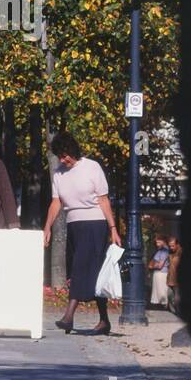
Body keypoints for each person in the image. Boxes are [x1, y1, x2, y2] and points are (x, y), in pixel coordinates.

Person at [44, 131, 121, 336]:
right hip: (74, 225)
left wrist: (113, 228)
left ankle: (68, 316)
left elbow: (104, 200)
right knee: (93, 272)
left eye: (66, 154)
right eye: (60, 156)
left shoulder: (92, 167)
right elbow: (56, 202)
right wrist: (47, 226)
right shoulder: (59, 174)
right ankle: (104, 320)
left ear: (73, 151)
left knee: (79, 266)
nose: (63, 159)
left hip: (95, 224)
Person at [149, 235, 170, 308]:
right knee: (158, 291)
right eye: (156, 242)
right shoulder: (160, 250)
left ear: (163, 241)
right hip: (159, 273)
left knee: (161, 291)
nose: (157, 244)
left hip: (161, 273)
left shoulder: (164, 251)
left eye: (159, 242)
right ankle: (162, 305)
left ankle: (164, 306)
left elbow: (160, 265)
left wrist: (152, 266)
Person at [167, 237, 182, 314]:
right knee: (169, 295)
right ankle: (173, 312)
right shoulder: (170, 254)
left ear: (177, 244)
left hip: (178, 280)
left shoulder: (181, 253)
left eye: (172, 245)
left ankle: (178, 312)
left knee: (177, 298)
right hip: (170, 279)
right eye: (169, 246)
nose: (171, 247)